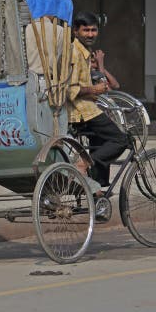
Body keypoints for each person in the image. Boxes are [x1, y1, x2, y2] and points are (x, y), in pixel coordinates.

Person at [67, 12, 127, 200]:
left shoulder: (84, 53)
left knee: (101, 146)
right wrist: (94, 89)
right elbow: (70, 90)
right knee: (120, 140)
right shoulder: (74, 53)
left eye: (93, 30)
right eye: (86, 30)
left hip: (88, 109)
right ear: (75, 31)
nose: (91, 34)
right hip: (82, 112)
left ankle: (97, 193)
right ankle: (83, 165)